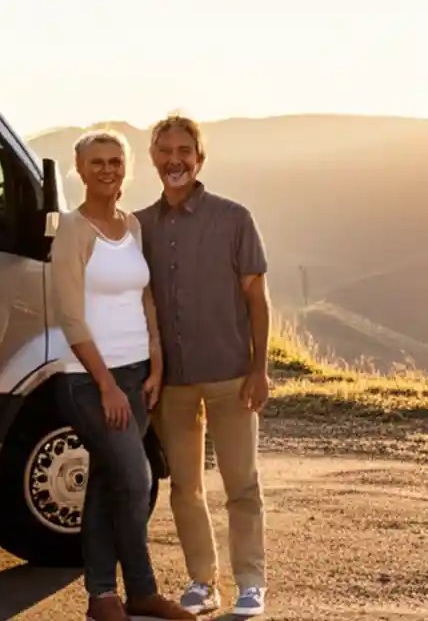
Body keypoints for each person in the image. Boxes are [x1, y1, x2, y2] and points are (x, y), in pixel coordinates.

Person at [49, 130, 194, 621]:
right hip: (90, 381)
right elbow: (70, 317)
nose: (107, 169)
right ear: (80, 167)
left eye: (115, 161)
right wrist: (107, 385)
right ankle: (140, 590)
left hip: (137, 376)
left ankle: (105, 596)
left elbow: (145, 298)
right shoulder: (72, 230)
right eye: (97, 162)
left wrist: (156, 365)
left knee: (109, 482)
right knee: (136, 479)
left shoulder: (131, 226)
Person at [135, 113, 272, 618]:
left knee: (242, 484)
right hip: (173, 384)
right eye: (165, 152)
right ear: (153, 159)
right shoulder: (139, 226)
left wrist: (260, 369)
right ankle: (201, 582)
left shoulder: (234, 218)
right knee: (185, 488)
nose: (175, 161)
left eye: (184, 152)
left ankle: (251, 584)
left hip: (233, 375)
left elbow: (258, 299)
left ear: (199, 158)